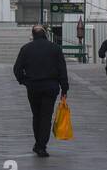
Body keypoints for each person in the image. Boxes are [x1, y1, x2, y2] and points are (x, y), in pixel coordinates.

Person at [13, 24, 69, 157]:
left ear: (33, 35)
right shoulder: (55, 48)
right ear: (45, 34)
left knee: (36, 115)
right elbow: (62, 69)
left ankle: (38, 142)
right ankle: (41, 145)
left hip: (33, 87)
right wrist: (64, 88)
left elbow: (17, 69)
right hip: (51, 87)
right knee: (46, 116)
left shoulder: (26, 49)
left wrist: (24, 81)